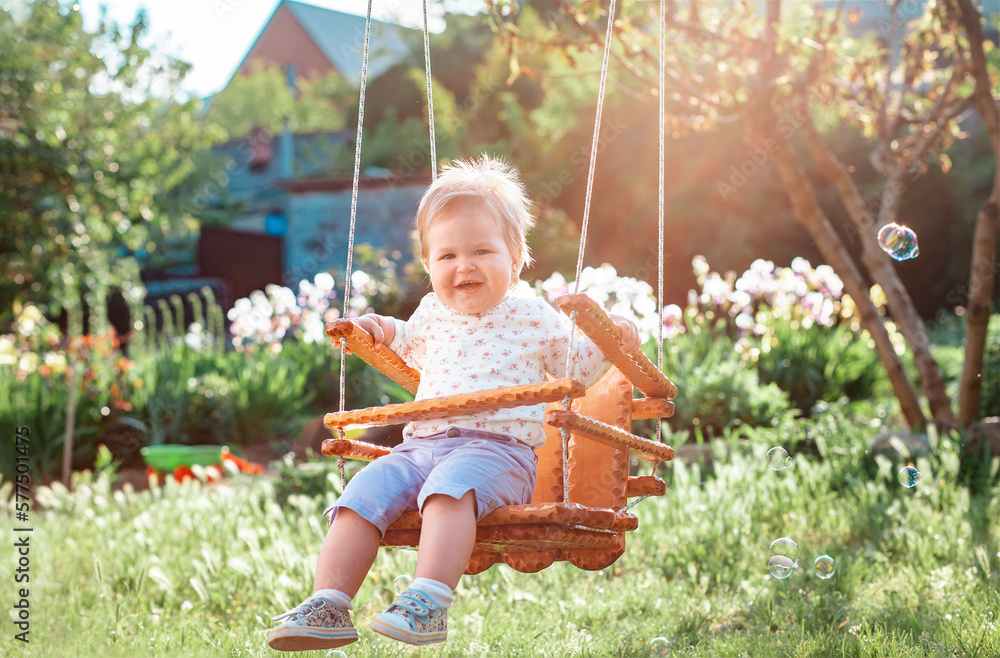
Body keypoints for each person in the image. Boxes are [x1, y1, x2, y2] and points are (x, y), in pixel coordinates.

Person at [267, 154, 640, 651]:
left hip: (498, 452)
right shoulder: (432, 312)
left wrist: (615, 339)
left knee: (449, 488)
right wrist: (380, 328)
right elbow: (405, 339)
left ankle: (427, 602)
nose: (464, 265)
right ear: (428, 265)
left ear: (516, 256)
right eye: (446, 256)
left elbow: (579, 369)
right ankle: (329, 603)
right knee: (361, 492)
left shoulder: (532, 315)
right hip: (419, 448)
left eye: (482, 250)